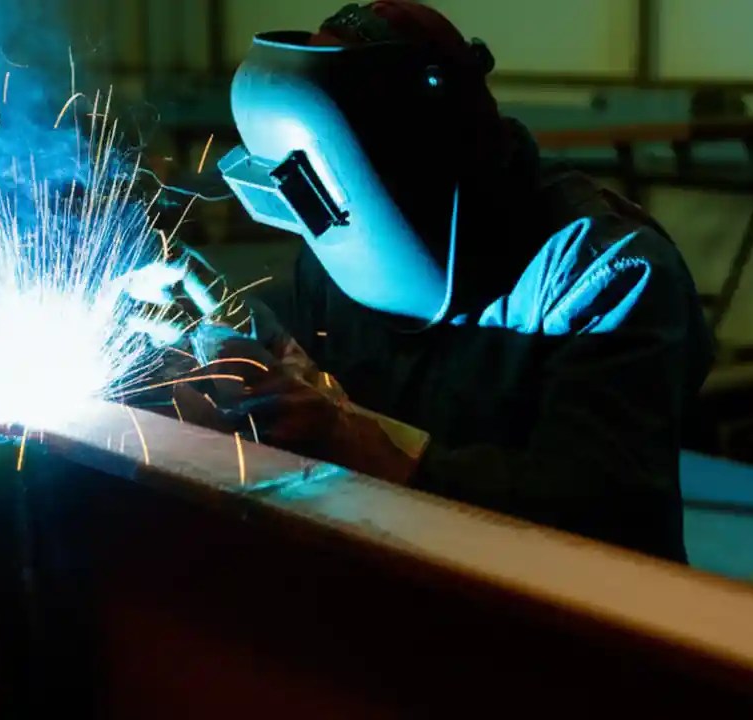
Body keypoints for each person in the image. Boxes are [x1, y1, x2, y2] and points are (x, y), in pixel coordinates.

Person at [134, 1, 712, 563]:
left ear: (412, 155)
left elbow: (598, 515)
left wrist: (360, 445)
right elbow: (320, 381)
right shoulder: (340, 242)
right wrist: (231, 329)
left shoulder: (608, 272)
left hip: (576, 630)